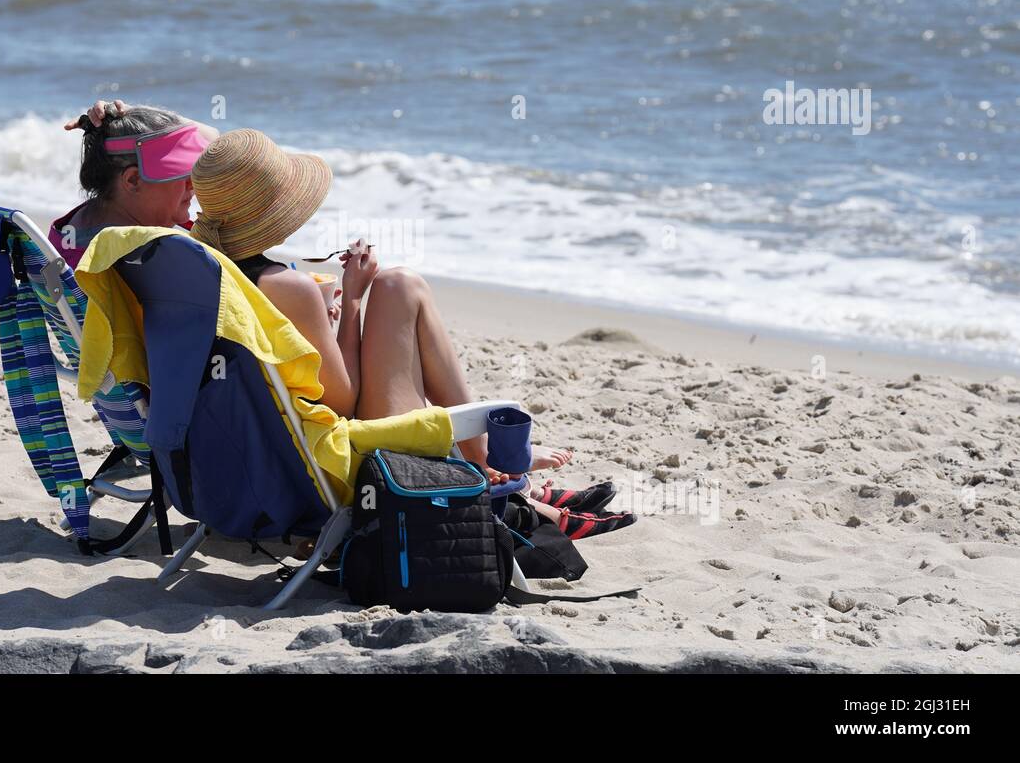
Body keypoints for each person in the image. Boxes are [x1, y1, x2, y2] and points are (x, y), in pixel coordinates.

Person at [187, 130, 627, 539]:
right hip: (329, 466)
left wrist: (319, 320)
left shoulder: (198, 275)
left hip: (259, 457)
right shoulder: (286, 287)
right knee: (404, 286)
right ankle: (500, 478)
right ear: (273, 212)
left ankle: (490, 462)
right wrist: (352, 302)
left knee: (398, 285)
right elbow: (340, 401)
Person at [49, 99, 217, 268]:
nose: (193, 185)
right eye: (181, 175)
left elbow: (215, 142)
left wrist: (127, 114)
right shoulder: (141, 263)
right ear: (133, 180)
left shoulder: (83, 223)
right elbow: (217, 142)